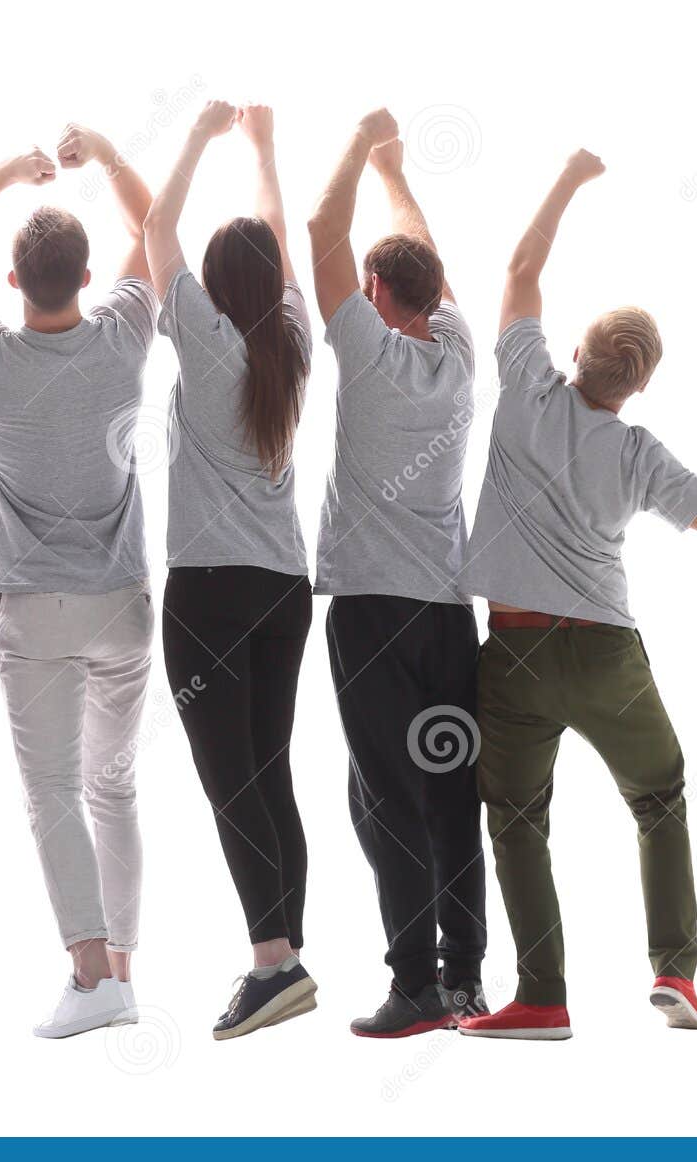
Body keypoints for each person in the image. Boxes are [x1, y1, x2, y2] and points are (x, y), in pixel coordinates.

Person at [456, 151, 697, 1040]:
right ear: (641, 385)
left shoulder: (527, 389)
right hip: (605, 654)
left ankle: (542, 996)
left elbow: (521, 268)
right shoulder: (637, 453)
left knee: (516, 819)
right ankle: (676, 972)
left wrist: (570, 179)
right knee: (658, 798)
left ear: (576, 353)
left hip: (514, 651)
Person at [0, 123, 155, 1039]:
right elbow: (157, 227)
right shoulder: (125, 336)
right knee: (114, 788)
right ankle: (122, 973)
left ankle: (91, 974)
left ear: (14, 281)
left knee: (55, 793)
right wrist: (101, 153)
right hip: (124, 606)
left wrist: (4, 173)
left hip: (35, 612)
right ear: (89, 274)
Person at [306, 110, 488, 1038]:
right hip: (448, 615)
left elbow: (319, 231)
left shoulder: (366, 350)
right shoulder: (458, 352)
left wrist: (362, 142)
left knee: (385, 792)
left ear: (374, 291)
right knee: (450, 792)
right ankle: (465, 983)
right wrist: (395, 173)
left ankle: (415, 985)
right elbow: (427, 263)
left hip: (374, 614)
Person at [143, 100, 316, 1040]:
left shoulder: (206, 342)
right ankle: (288, 949)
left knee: (231, 781)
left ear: (212, 288)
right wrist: (263, 147)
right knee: (269, 770)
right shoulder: (292, 337)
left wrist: (200, 136)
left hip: (210, 591)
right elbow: (274, 236)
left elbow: (155, 226)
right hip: (283, 588)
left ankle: (273, 961)